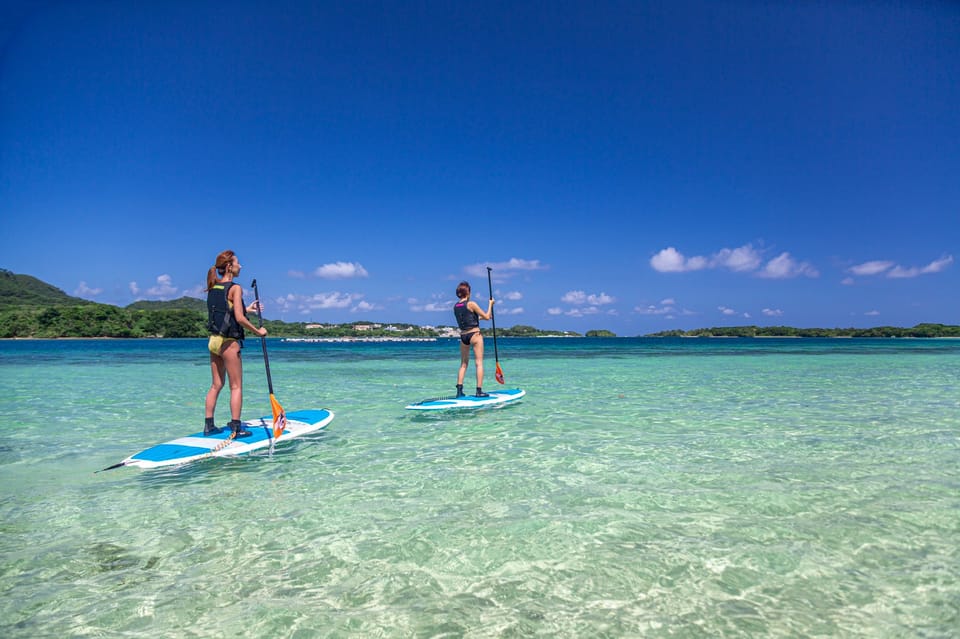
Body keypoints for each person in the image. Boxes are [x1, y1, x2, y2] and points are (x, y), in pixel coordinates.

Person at [203, 250, 267, 438]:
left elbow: (226, 311)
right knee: (236, 386)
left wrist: (248, 309)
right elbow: (239, 318)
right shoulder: (235, 288)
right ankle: (236, 428)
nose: (241, 266)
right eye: (238, 263)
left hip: (213, 341)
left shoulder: (213, 287)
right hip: (228, 343)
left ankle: (209, 426)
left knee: (216, 385)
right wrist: (258, 332)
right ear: (230, 267)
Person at [453, 281, 494, 397]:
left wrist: (480, 318)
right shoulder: (471, 304)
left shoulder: (455, 307)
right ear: (468, 292)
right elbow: (487, 316)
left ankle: (459, 391)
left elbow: (468, 318)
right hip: (475, 335)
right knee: (479, 363)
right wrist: (490, 304)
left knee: (463, 364)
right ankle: (479, 391)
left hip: (463, 336)